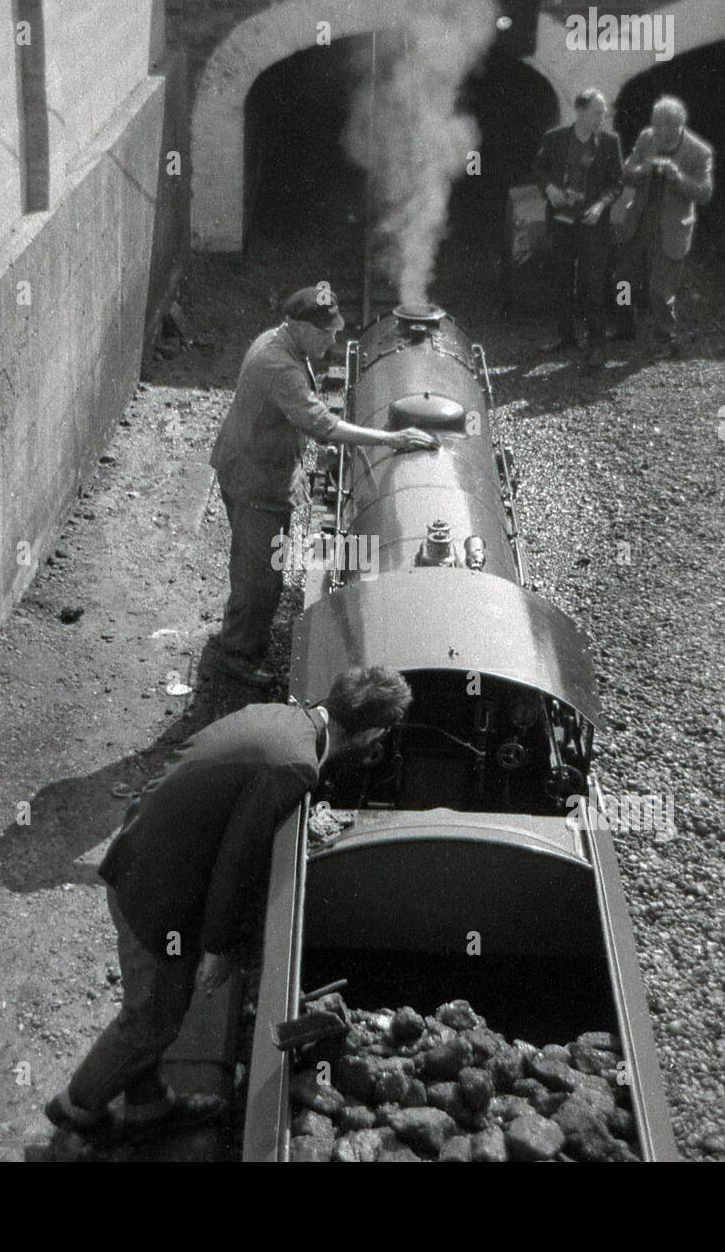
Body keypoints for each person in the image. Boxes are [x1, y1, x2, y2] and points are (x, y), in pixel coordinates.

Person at [45, 665, 415, 1140]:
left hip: (141, 858)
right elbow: (236, 864)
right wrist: (219, 949)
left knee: (152, 1006)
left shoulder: (280, 717)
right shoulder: (296, 764)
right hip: (156, 894)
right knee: (152, 1022)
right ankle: (76, 1110)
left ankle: (148, 1106)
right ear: (374, 733)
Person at [209, 285, 438, 687]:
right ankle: (238, 654)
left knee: (254, 563)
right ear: (298, 326)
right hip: (256, 481)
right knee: (260, 574)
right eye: (326, 332)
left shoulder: (282, 343)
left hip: (259, 469)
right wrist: (392, 440)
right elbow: (323, 426)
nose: (334, 339)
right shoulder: (278, 365)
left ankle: (237, 633)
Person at [611, 95, 714, 357]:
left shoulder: (698, 152)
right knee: (623, 278)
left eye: (661, 128)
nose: (656, 133)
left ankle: (665, 340)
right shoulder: (647, 138)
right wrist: (643, 168)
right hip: (640, 221)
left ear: (677, 126)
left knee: (660, 290)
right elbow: (625, 172)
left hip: (671, 229)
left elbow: (704, 193)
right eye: (654, 126)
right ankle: (624, 326)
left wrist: (678, 178)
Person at [533, 88, 624, 369]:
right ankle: (567, 336)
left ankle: (597, 346)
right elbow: (538, 167)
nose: (602, 118)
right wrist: (549, 188)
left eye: (603, 114)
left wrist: (600, 206)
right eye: (597, 113)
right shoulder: (555, 139)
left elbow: (616, 183)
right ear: (581, 111)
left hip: (592, 226)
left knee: (593, 285)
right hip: (562, 223)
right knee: (562, 280)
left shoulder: (609, 143)